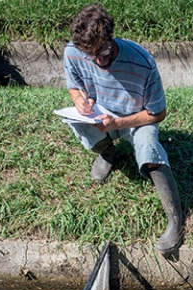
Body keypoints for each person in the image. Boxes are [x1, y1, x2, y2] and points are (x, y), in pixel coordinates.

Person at [62, 4, 184, 255]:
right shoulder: (73, 52)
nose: (99, 60)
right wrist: (79, 101)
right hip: (99, 114)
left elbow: (157, 113)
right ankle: (108, 152)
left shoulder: (142, 62)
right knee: (76, 121)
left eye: (104, 51)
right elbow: (74, 85)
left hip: (138, 119)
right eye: (91, 55)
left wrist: (117, 124)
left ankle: (175, 220)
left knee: (149, 149)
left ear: (112, 37)